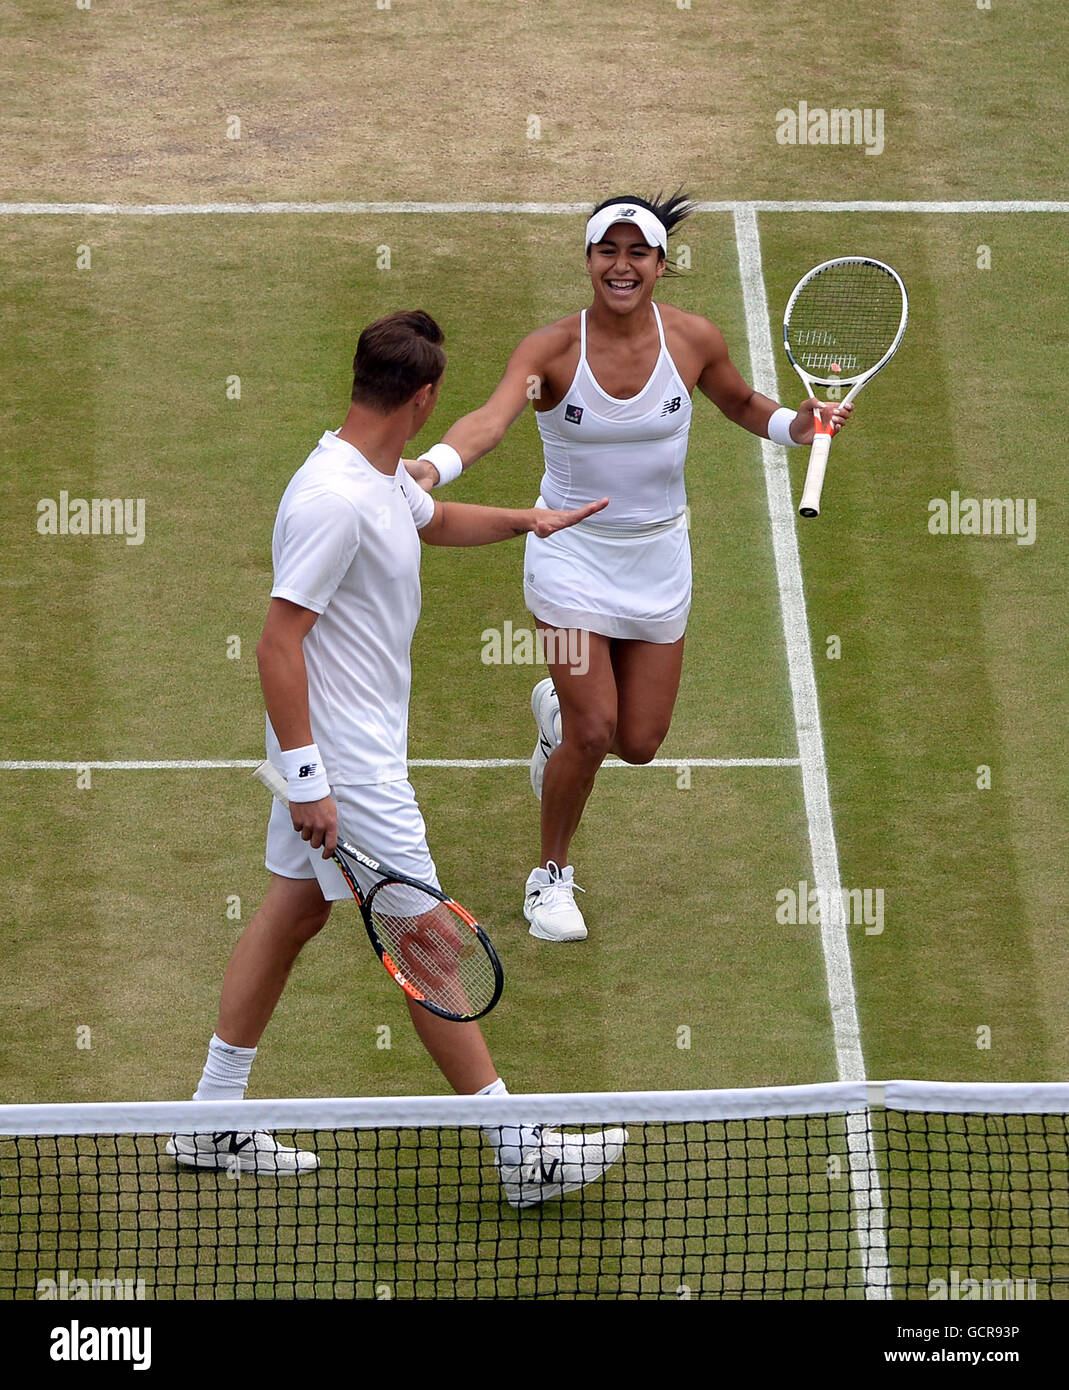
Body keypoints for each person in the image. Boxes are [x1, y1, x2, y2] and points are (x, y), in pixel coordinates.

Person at [170, 310, 625, 1207]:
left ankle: (208, 1118)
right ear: (421, 399)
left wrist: (529, 520)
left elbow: (435, 516)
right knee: (426, 940)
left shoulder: (375, 475)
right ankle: (520, 1151)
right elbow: (276, 642)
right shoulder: (332, 500)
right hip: (344, 766)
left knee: (295, 912)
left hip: (344, 750)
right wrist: (309, 780)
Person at [407, 192, 853, 943]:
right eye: (606, 251)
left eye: (636, 252)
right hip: (569, 556)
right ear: (587, 261)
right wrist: (433, 465)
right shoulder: (547, 351)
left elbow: (742, 403)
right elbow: (490, 419)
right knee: (594, 730)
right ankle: (549, 876)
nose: (621, 266)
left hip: (657, 557)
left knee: (639, 742)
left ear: (659, 264)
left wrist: (799, 427)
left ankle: (555, 717)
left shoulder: (693, 340)